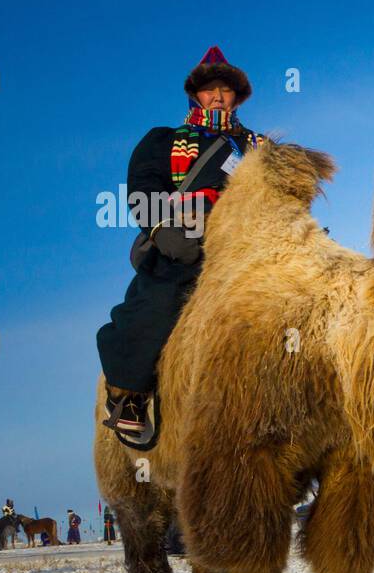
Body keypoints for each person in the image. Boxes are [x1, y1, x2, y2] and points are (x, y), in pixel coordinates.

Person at [97, 46, 264, 445]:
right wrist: (161, 230)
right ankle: (127, 396)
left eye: (227, 90)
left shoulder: (259, 149)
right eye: (211, 89)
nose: (219, 96)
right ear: (196, 95)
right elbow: (143, 188)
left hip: (250, 239)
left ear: (237, 97)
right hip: (185, 238)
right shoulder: (164, 140)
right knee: (160, 299)